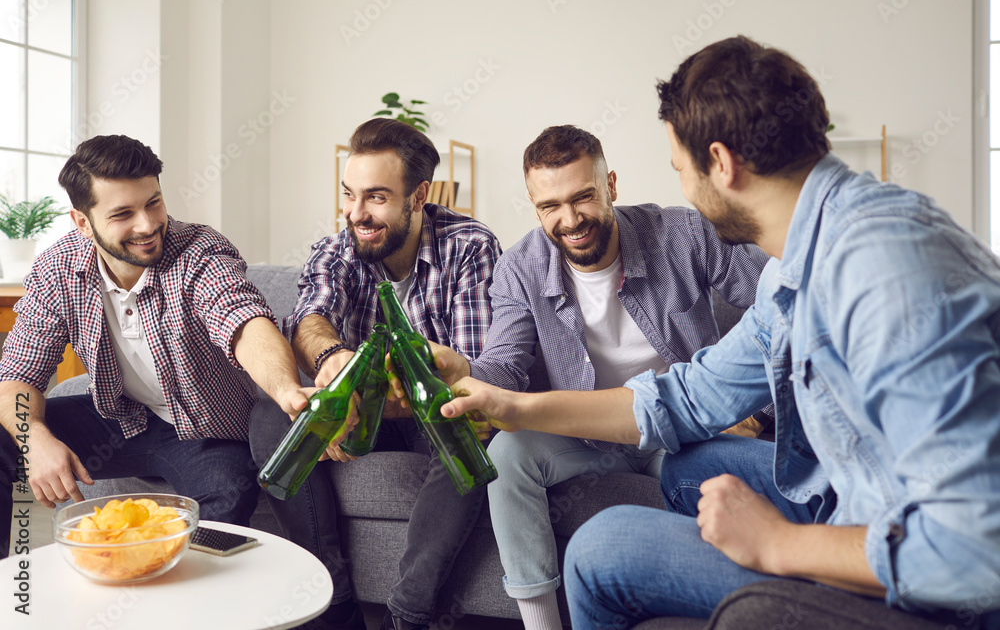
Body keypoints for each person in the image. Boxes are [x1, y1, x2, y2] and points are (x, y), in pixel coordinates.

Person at [439, 36, 1000, 629]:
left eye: (681, 168)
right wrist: (513, 407)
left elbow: (977, 546)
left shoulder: (883, 273)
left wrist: (778, 544)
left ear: (721, 165)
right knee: (683, 472)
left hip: (937, 588)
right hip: (856, 498)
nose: (681, 188)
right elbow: (685, 399)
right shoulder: (800, 262)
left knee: (601, 550)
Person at [429, 124, 770, 630]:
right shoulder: (519, 267)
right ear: (534, 205)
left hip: (680, 430)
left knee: (748, 473)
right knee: (505, 456)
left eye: (583, 197)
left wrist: (752, 410)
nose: (570, 219)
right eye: (550, 207)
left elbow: (782, 301)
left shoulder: (681, 233)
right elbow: (505, 365)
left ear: (610, 184)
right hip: (585, 432)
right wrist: (467, 370)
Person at [0, 134, 311, 559]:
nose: (147, 225)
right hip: (119, 421)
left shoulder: (200, 251)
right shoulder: (59, 267)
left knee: (225, 497)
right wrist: (34, 436)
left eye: (154, 203)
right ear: (82, 222)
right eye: (123, 214)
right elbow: (18, 373)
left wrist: (286, 390)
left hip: (203, 431)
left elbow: (245, 323)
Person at [248, 118, 502, 630]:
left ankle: (407, 616)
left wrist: (369, 396)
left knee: (469, 437)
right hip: (371, 413)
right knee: (273, 418)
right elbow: (309, 318)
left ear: (418, 196)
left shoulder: (471, 247)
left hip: (436, 413)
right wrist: (332, 361)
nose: (356, 213)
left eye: (377, 198)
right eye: (349, 194)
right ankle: (335, 609)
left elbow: (468, 373)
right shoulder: (340, 247)